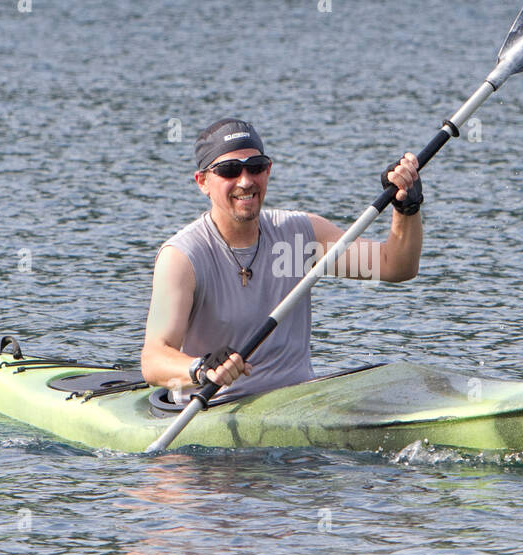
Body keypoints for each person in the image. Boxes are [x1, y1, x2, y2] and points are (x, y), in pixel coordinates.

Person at [140, 117, 424, 400]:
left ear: (268, 170)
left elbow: (395, 265)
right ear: (203, 181)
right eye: (229, 170)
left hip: (298, 404)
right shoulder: (182, 257)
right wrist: (201, 368)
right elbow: (153, 359)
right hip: (215, 409)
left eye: (256, 167)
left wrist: (405, 207)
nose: (245, 181)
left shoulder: (299, 236)